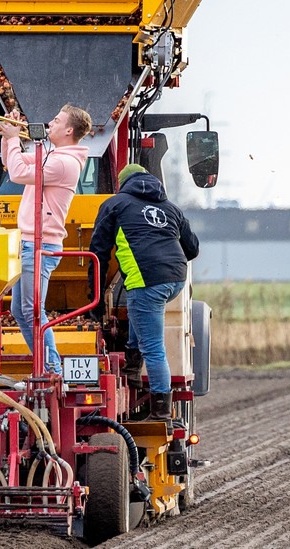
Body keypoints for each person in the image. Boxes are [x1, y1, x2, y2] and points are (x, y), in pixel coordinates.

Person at [89, 163, 199, 421]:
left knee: (153, 347)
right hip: (176, 280)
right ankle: (132, 366)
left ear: (122, 184)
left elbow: (98, 254)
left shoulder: (115, 204)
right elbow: (192, 249)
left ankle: (161, 411)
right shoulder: (171, 207)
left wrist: (93, 298)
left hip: (146, 281)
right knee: (141, 316)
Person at [0, 104, 92, 376]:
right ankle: (45, 363)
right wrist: (8, 137)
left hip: (40, 246)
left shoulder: (63, 162)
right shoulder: (53, 155)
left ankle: (52, 369)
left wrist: (15, 137)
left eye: (57, 119)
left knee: (33, 311)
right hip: (30, 244)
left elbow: (17, 174)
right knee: (21, 310)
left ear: (69, 130)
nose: (50, 121)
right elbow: (11, 163)